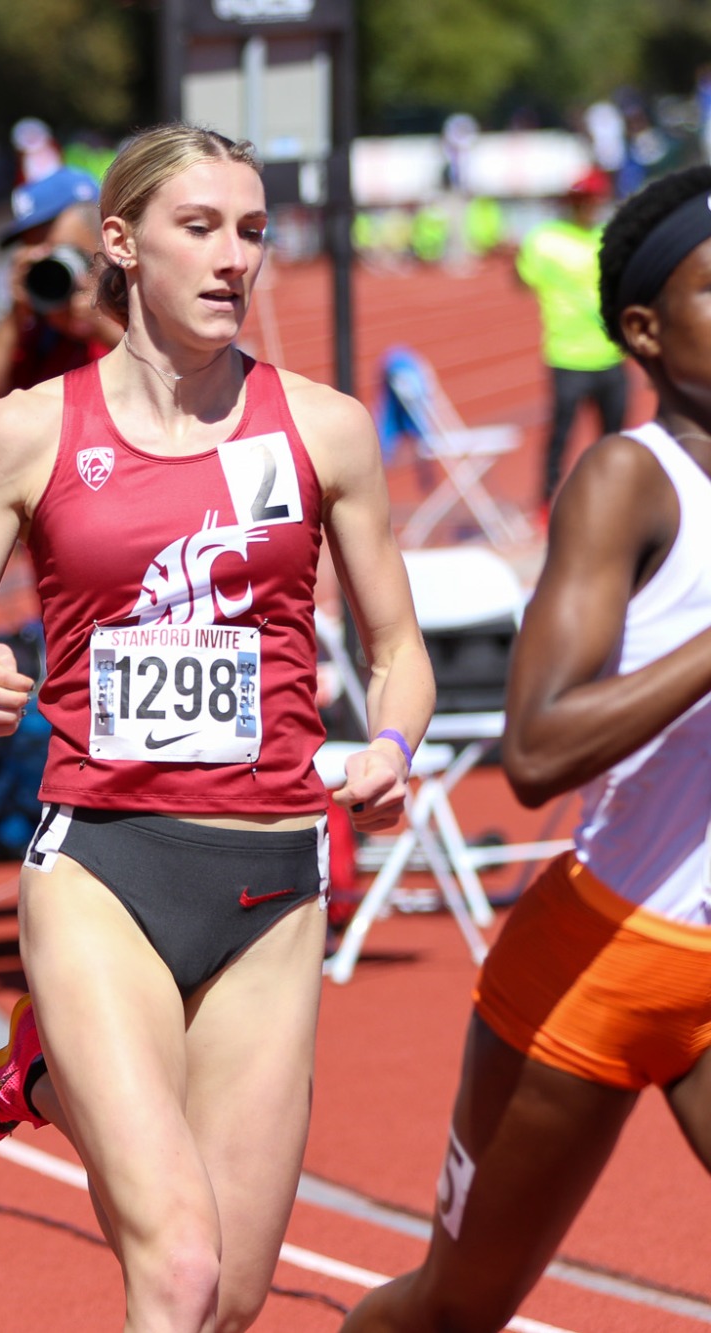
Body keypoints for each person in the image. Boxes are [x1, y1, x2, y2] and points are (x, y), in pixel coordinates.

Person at [0, 125, 434, 1330]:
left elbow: (396, 651)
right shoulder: (26, 432)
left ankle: (39, 1073)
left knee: (236, 1298)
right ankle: (60, 1058)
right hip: (100, 856)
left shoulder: (322, 428)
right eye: (197, 228)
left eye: (249, 232)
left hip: (269, 877)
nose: (231, 258)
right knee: (179, 1273)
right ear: (117, 244)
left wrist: (391, 753)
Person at [342, 164, 711, 1333]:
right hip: (603, 963)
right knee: (453, 1309)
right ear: (645, 332)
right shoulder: (626, 481)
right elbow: (536, 747)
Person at [0, 165, 121, 420]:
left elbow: (172, 380)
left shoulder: (141, 305)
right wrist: (17, 315)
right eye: (30, 243)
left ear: (104, 231)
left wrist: (100, 326)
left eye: (52, 240)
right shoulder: (37, 327)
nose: (45, 255)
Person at [516, 167, 627, 508]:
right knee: (560, 436)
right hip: (566, 355)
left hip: (610, 354)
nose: (585, 206)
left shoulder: (610, 236)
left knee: (615, 439)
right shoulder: (544, 239)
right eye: (579, 200)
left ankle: (617, 500)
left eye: (591, 199)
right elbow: (521, 278)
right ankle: (547, 501)